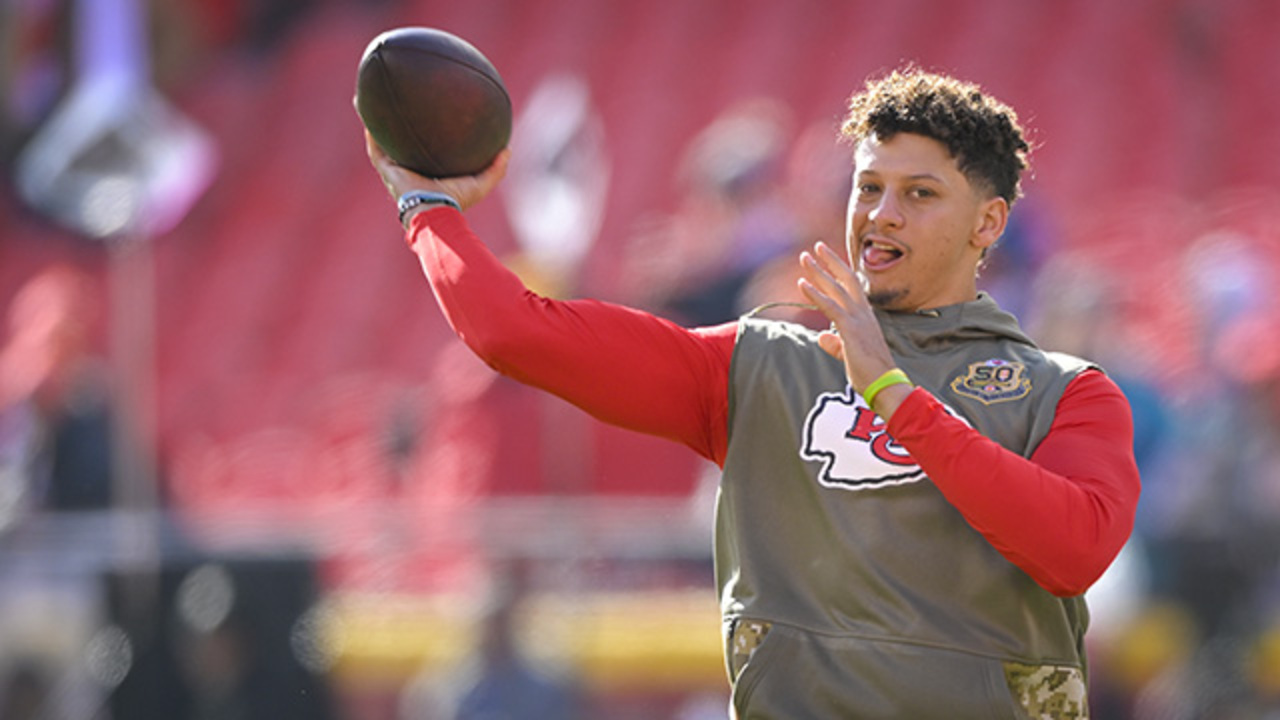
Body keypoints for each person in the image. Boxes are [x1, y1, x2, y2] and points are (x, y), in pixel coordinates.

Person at [361, 67, 1141, 718]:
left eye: (920, 193)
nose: (880, 214)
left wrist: (894, 395)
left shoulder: (1067, 393)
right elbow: (516, 335)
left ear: (988, 222)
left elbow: (1071, 549)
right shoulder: (760, 365)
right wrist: (426, 207)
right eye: (868, 187)